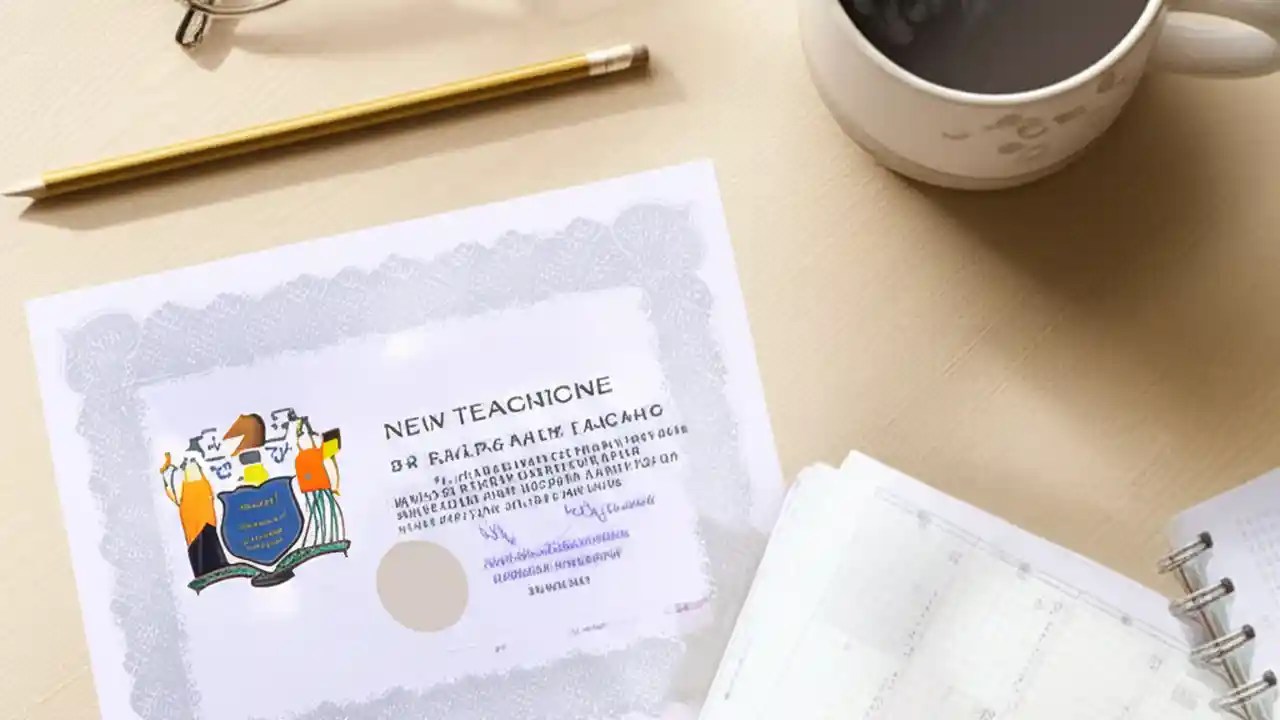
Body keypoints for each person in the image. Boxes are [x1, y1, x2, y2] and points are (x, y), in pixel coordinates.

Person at [160, 448, 229, 578]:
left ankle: (219, 564)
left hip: (208, 519)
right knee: (199, 547)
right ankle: (202, 572)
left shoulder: (204, 479)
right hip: (193, 523)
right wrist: (167, 466)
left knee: (212, 541)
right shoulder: (180, 483)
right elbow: (172, 491)